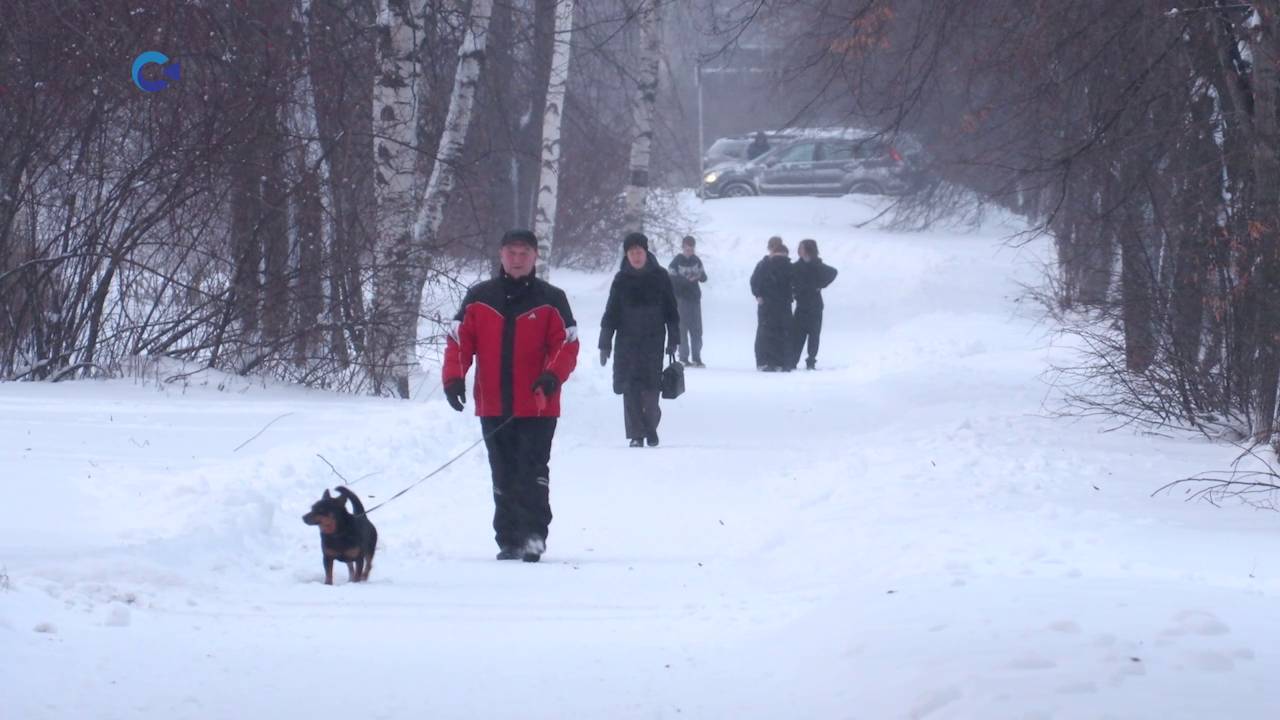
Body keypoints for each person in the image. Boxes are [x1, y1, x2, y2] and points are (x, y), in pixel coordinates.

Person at [442, 229, 579, 563]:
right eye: (511, 253)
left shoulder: (552, 299)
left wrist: (551, 376)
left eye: (524, 253)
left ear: (535, 257)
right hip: (493, 402)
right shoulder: (479, 298)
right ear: (501, 254)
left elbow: (567, 345)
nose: (517, 260)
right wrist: (454, 378)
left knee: (531, 470)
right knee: (502, 471)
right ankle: (509, 538)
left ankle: (534, 535)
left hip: (538, 404)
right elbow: (460, 342)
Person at [599, 232, 680, 448]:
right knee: (630, 387)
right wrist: (604, 343)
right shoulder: (621, 279)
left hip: (653, 341)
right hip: (627, 342)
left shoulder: (660, 276)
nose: (636, 256)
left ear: (646, 252)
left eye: (639, 251)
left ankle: (650, 426)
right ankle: (636, 434)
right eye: (631, 252)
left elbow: (672, 310)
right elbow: (611, 312)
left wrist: (674, 338)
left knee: (652, 387)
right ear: (627, 255)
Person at [789, 238, 838, 371]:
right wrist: (793, 291)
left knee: (814, 335)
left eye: (801, 248)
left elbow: (833, 272)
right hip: (801, 305)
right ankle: (793, 360)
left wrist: (820, 285)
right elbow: (789, 280)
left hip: (815, 305)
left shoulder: (817, 265)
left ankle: (811, 360)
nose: (799, 250)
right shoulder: (796, 267)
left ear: (808, 250)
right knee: (797, 334)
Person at [750, 236, 793, 372]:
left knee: (779, 332)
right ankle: (765, 361)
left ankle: (778, 361)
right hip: (769, 304)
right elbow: (755, 281)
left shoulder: (785, 264)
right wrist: (758, 295)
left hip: (780, 303)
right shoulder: (764, 264)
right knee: (766, 332)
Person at [667, 235, 708, 367]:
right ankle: (684, 357)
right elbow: (671, 279)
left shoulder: (696, 260)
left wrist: (699, 276)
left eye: (692, 248)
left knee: (697, 329)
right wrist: (685, 281)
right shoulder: (676, 261)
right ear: (683, 247)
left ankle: (697, 357)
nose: (689, 251)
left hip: (694, 299)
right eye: (687, 248)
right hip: (681, 299)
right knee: (682, 328)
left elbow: (704, 277)